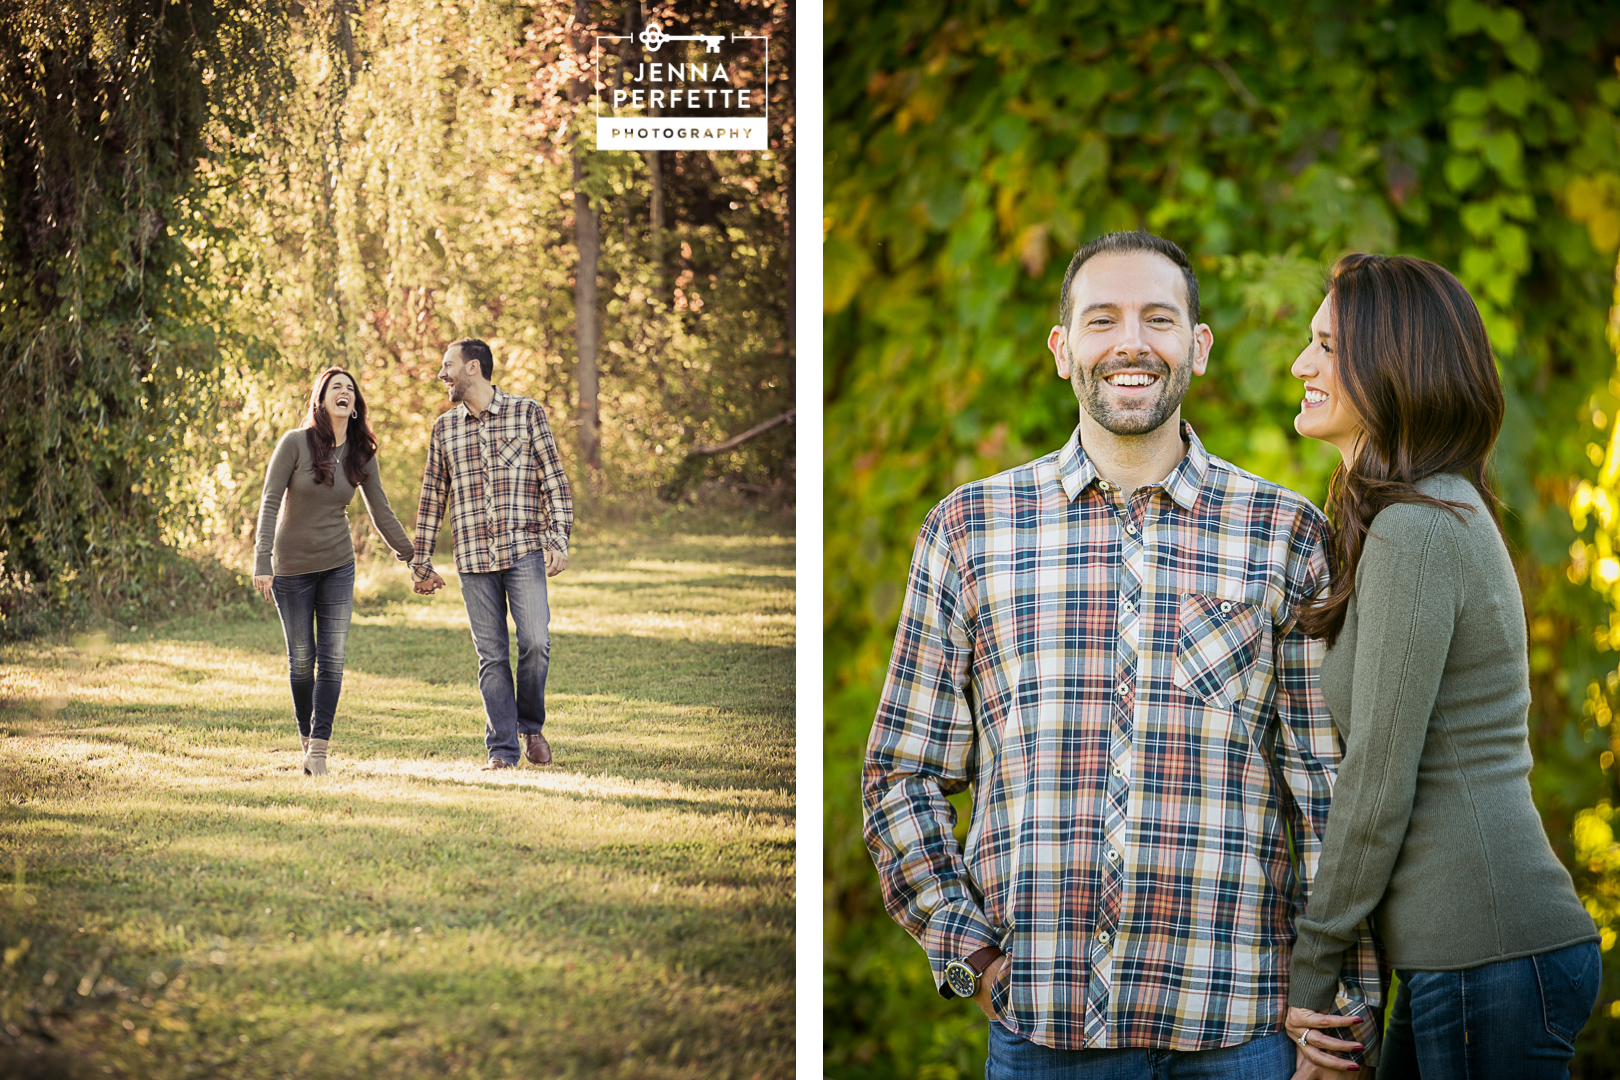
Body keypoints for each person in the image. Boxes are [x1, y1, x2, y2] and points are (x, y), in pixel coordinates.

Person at [862, 230, 1380, 1078]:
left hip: (1240, 1029)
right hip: (1044, 1030)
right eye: (1102, 320)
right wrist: (968, 952)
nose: (1130, 343)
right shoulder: (968, 531)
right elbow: (901, 773)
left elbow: (1327, 790)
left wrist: (1339, 1006)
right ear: (1062, 350)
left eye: (1158, 319)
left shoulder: (1283, 534)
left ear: (1197, 348)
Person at [1282, 253, 1600, 1079]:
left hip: (1488, 957)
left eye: (1328, 347)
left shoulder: (1416, 530)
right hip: (1467, 959)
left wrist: (1311, 975)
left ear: (1393, 367)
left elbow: (1378, 780)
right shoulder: (1416, 513)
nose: (1302, 365)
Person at [411, 338, 573, 770]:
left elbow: (554, 481)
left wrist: (559, 539)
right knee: (492, 656)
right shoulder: (444, 429)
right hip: (473, 559)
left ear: (473, 368)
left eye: (448, 366)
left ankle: (531, 726)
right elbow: (432, 498)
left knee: (536, 642)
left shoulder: (527, 413)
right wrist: (421, 563)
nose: (441, 375)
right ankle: (502, 750)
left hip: (523, 549)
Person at [253, 367, 415, 776]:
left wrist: (413, 556)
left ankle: (319, 751)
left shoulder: (362, 454)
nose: (344, 392)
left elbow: (381, 512)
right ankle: (307, 739)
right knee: (301, 661)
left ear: (355, 405)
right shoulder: (295, 443)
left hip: (339, 565)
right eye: (335, 387)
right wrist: (262, 561)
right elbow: (270, 501)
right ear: (321, 400)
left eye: (350, 389)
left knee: (333, 659)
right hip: (291, 567)